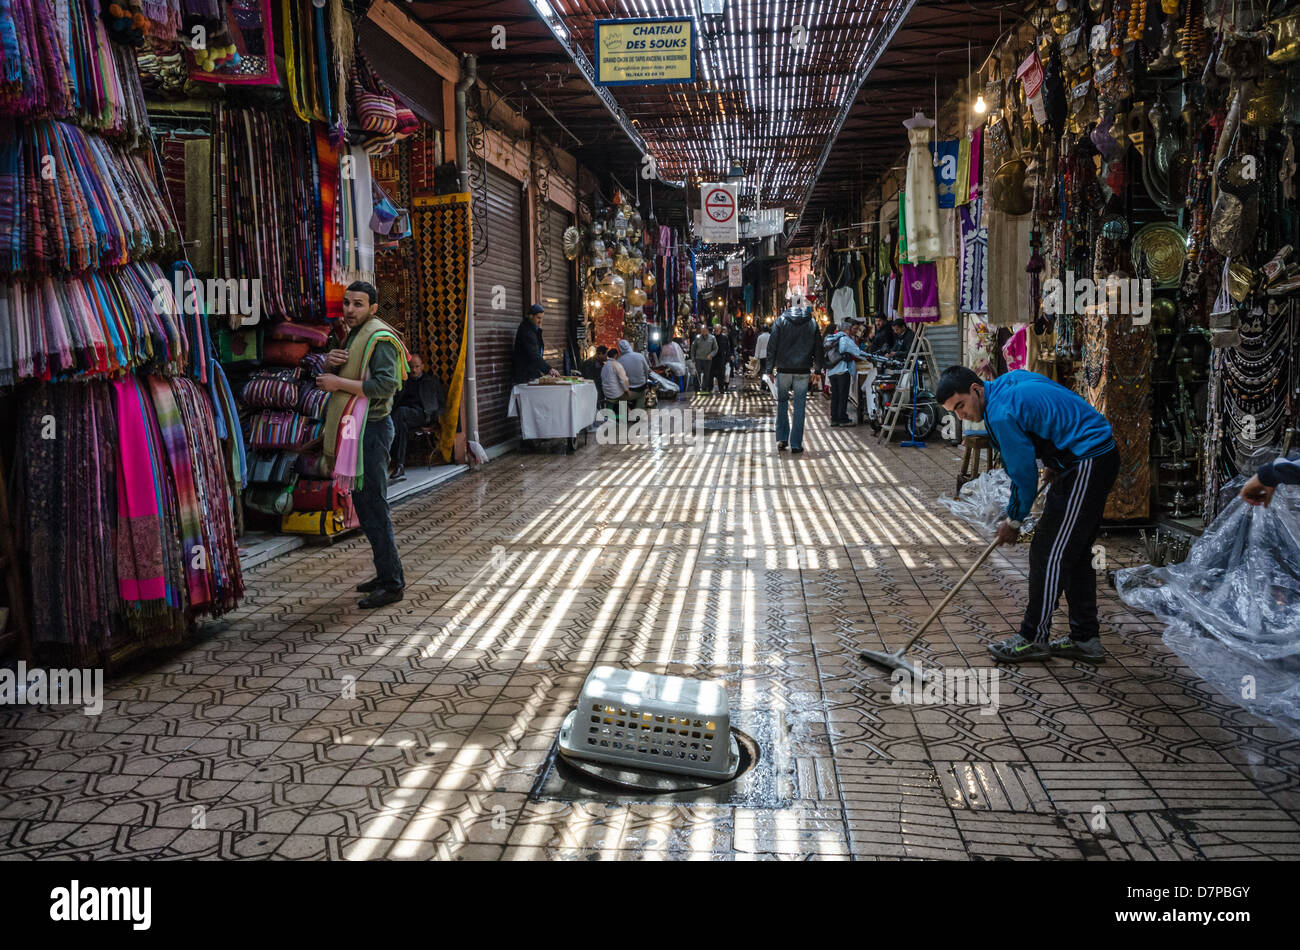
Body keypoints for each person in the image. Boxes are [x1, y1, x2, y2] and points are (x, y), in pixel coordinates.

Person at [938, 366, 1119, 663]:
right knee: (1073, 551)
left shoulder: (999, 413)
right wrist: (1055, 458)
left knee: (1048, 552)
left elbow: (1022, 475)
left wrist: (1014, 520)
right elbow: (1048, 413)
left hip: (1087, 460)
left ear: (975, 389)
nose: (961, 416)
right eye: (953, 412)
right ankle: (1085, 638)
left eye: (961, 406)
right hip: (1081, 458)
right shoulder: (1008, 382)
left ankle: (1033, 637)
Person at [316, 281, 410, 608]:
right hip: (358, 429)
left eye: (358, 304)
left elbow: (386, 385)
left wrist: (337, 381)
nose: (350, 310)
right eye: (347, 303)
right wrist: (330, 365)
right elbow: (341, 374)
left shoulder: (379, 337)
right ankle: (384, 575)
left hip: (372, 430)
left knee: (374, 505)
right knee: (365, 505)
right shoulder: (355, 334)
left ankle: (393, 582)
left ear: (372, 308)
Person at [767, 302, 821, 454]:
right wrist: (817, 369)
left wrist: (769, 369)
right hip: (803, 370)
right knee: (800, 406)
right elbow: (818, 347)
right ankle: (796, 444)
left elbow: (772, 346)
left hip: (783, 370)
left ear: (788, 307)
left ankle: (783, 439)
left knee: (782, 403)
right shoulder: (812, 322)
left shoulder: (780, 321)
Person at [388, 352, 445, 481]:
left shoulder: (431, 381)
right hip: (405, 417)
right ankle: (400, 465)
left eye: (417, 366)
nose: (414, 370)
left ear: (423, 366)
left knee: (399, 414)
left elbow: (441, 403)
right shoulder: (404, 382)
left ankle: (387, 452)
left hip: (423, 415)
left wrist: (434, 422)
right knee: (401, 427)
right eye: (411, 367)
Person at [823, 319, 867, 427]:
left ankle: (834, 419)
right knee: (843, 396)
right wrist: (869, 356)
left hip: (832, 371)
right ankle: (843, 419)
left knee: (835, 396)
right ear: (847, 330)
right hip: (842, 371)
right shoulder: (845, 339)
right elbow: (858, 353)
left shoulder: (830, 338)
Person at [512, 303, 560, 384]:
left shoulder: (534, 330)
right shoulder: (526, 331)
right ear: (531, 316)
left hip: (532, 374)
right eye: (538, 318)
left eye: (542, 318)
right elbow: (534, 354)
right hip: (525, 377)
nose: (540, 321)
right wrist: (548, 369)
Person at [617, 339, 653, 411]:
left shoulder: (619, 361)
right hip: (640, 388)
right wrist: (645, 381)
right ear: (629, 346)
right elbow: (647, 371)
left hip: (626, 392)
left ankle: (623, 416)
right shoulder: (640, 356)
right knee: (642, 395)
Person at [600, 345, 630, 416]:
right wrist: (627, 391)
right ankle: (624, 415)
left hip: (606, 393)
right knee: (626, 396)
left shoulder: (604, 366)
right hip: (615, 394)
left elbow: (602, 378)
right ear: (616, 355)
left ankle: (626, 412)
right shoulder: (617, 365)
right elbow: (623, 380)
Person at [689, 326, 717, 394]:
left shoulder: (712, 338)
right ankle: (697, 389)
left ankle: (704, 388)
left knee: (706, 375)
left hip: (707, 360)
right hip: (698, 359)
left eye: (704, 330)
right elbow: (693, 348)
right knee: (697, 374)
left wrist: (711, 355)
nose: (703, 332)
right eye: (702, 330)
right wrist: (692, 357)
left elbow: (715, 349)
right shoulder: (697, 337)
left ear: (707, 330)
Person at [711, 324, 734, 394]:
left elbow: (728, 348)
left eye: (718, 330)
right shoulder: (712, 337)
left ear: (720, 330)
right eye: (715, 330)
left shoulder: (724, 337)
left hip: (721, 358)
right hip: (713, 358)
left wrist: (729, 357)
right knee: (711, 374)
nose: (716, 331)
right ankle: (710, 388)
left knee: (721, 374)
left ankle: (721, 389)